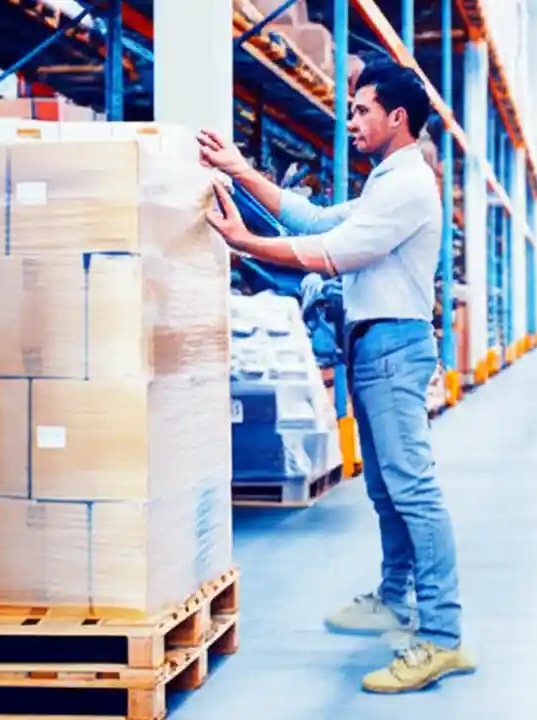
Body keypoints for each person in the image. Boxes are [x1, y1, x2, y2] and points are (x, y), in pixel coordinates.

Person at [199, 56, 472, 694]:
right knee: (386, 489)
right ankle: (396, 597)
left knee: (414, 491)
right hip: (371, 346)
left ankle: (441, 637)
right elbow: (315, 221)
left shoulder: (409, 186)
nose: (351, 120)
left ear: (396, 118)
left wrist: (243, 244)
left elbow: (332, 252)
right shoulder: (388, 180)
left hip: (395, 348)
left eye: (361, 111)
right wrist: (241, 173)